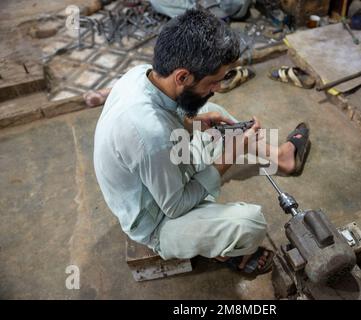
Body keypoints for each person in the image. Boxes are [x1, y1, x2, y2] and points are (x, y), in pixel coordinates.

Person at [93, 9, 310, 275]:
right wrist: (230, 156)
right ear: (182, 76)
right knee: (250, 224)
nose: (217, 87)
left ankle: (281, 158)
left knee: (215, 114)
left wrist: (193, 124)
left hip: (161, 165)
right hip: (158, 220)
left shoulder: (141, 74)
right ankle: (221, 252)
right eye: (213, 82)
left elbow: (169, 121)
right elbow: (175, 206)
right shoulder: (149, 133)